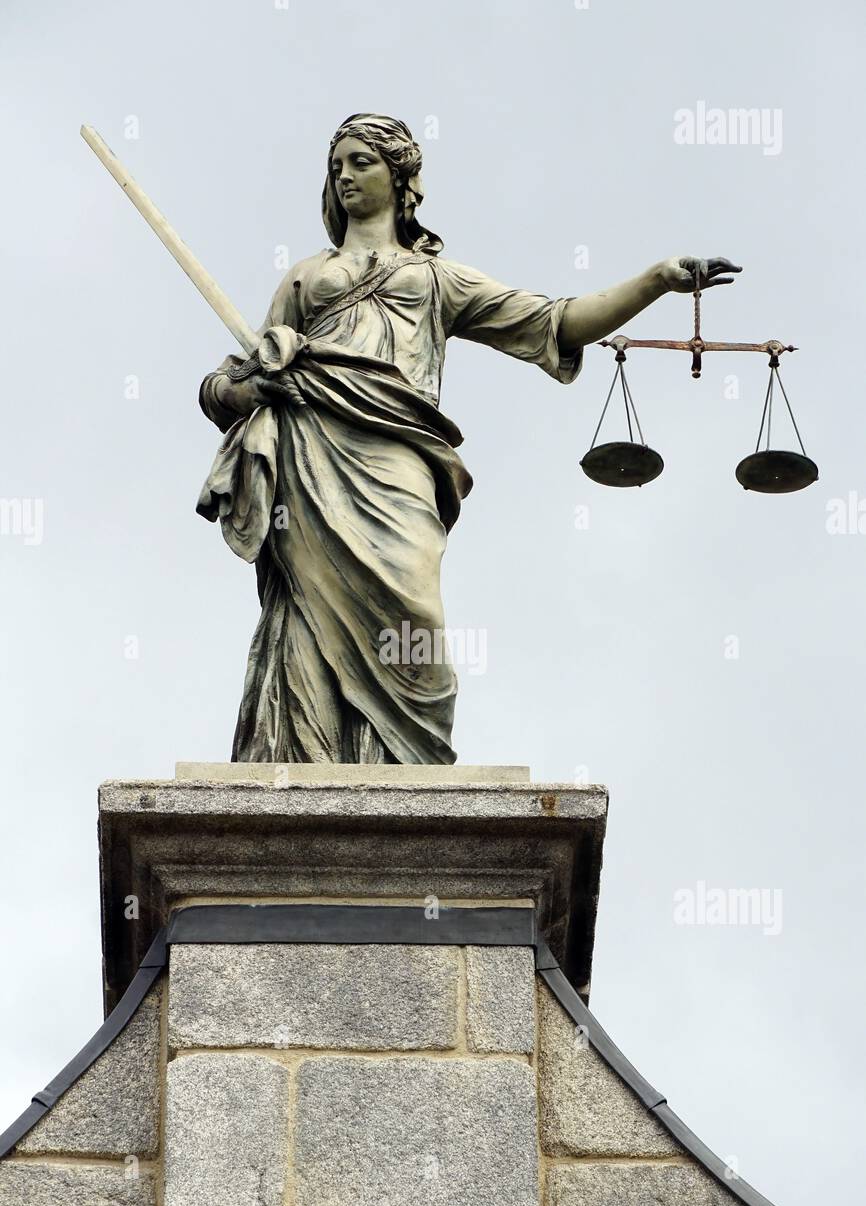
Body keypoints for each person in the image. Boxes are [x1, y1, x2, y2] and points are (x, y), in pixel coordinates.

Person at [197, 112, 740, 764]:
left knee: (412, 617)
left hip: (398, 464)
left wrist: (657, 279)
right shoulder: (305, 278)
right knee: (307, 619)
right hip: (310, 458)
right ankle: (307, 762)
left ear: (401, 178)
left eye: (361, 162)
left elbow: (557, 320)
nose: (344, 175)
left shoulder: (436, 278)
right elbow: (228, 386)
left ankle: (401, 765)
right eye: (336, 164)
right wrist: (255, 387)